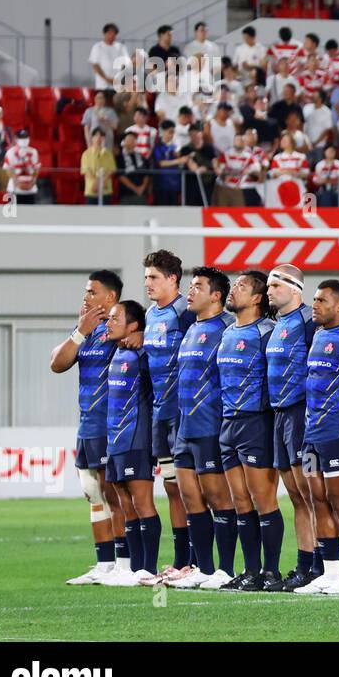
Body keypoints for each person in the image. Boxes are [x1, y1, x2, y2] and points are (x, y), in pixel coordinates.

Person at [54, 270, 133, 585]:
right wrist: (80, 331)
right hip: (87, 424)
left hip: (110, 424)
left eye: (91, 292)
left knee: (115, 495)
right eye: (86, 292)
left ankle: (124, 565)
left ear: (110, 297)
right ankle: (103, 565)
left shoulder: (118, 329)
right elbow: (57, 363)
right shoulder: (84, 331)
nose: (85, 297)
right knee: (92, 494)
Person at [294, 280, 339, 594]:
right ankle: (330, 573)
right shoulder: (317, 335)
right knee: (318, 501)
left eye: (322, 300)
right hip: (313, 433)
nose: (315, 305)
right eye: (314, 299)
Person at [168, 267, 238, 590]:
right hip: (184, 427)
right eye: (190, 286)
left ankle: (224, 569)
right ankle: (203, 569)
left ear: (216, 296)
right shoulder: (190, 330)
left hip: (211, 425)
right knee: (190, 499)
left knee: (217, 498)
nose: (190, 292)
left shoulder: (227, 327)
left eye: (198, 286)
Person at [213, 271, 279, 591]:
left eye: (241, 286)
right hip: (228, 423)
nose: (233, 289)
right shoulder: (227, 333)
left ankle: (271, 572)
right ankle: (250, 571)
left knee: (263, 499)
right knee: (240, 501)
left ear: (256, 298)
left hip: (256, 421)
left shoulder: (268, 332)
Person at [139, 250, 196, 585]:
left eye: (154, 277)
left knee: (191, 489)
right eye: (146, 277)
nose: (148, 283)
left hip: (184, 412)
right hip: (162, 412)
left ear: (173, 279)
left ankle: (196, 560)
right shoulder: (150, 314)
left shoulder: (184, 313)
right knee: (172, 488)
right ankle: (180, 561)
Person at [263, 265, 320, 591]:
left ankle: (319, 566)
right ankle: (303, 566)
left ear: (294, 288)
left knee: (311, 494)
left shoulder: (309, 322)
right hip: (279, 416)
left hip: (301, 416)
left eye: (274, 285)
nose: (269, 291)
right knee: (297, 497)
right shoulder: (277, 325)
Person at [101, 299, 160, 582]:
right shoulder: (116, 351)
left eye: (115, 318)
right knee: (125, 505)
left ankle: (149, 567)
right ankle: (135, 568)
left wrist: (146, 338)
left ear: (133, 326)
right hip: (114, 439)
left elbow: (165, 350)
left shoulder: (143, 354)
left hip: (137, 436)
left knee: (142, 503)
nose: (108, 323)